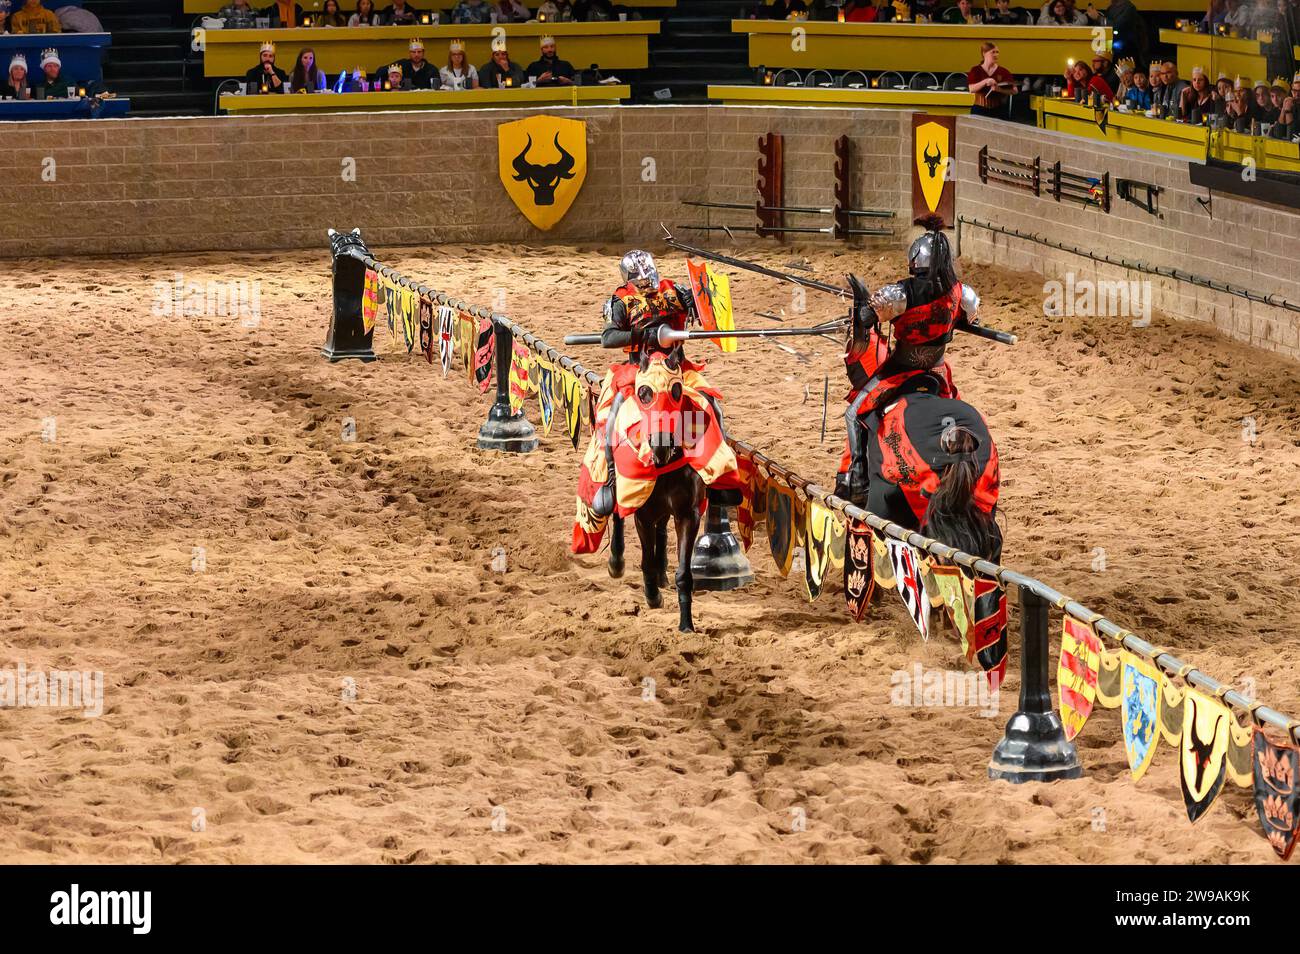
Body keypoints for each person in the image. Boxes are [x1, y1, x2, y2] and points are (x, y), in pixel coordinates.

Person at [835, 215, 981, 506]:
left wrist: (865, 308)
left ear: (916, 262)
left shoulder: (899, 294)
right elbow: (971, 316)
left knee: (854, 413)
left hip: (900, 370)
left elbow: (867, 318)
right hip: (937, 371)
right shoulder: (962, 294)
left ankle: (858, 478)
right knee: (957, 402)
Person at [581, 250, 708, 520]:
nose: (647, 282)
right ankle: (611, 479)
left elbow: (704, 310)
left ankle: (715, 479)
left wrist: (694, 302)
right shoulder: (622, 300)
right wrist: (643, 335)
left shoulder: (672, 290)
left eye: (649, 275)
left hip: (676, 368)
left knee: (709, 404)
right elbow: (608, 337)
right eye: (641, 278)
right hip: (640, 369)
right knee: (609, 416)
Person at [967, 41, 1016, 117]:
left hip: (998, 109)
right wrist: (985, 81)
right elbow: (971, 89)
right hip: (979, 109)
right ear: (984, 53)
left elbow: (1014, 90)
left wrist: (1000, 89)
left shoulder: (1004, 71)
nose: (996, 55)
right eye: (993, 52)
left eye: (997, 52)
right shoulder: (975, 70)